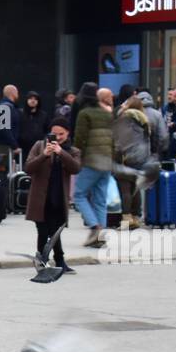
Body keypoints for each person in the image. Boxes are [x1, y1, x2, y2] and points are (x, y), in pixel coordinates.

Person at [24, 119, 82, 271]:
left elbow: (75, 168)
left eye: (61, 134)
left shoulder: (73, 151)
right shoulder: (39, 146)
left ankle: (59, 260)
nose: (57, 137)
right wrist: (44, 155)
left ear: (68, 133)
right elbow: (28, 168)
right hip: (40, 197)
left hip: (58, 197)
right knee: (43, 231)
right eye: (54, 134)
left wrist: (61, 152)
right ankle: (43, 261)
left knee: (56, 231)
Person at [71, 83, 114, 247]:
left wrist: (76, 156)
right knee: (100, 199)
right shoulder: (108, 113)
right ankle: (101, 235)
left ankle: (94, 226)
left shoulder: (84, 113)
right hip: (107, 161)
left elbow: (80, 138)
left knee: (79, 195)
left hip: (91, 160)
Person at [112, 94, 152, 231]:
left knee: (125, 190)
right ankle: (136, 217)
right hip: (141, 158)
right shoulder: (144, 119)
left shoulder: (124, 118)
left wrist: (116, 157)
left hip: (126, 157)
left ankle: (126, 219)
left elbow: (119, 141)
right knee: (135, 189)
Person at [0, 84, 20, 165]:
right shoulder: (5, 108)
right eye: (17, 92)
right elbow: (3, 128)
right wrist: (14, 145)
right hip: (3, 148)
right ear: (13, 93)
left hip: (1, 146)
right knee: (4, 171)